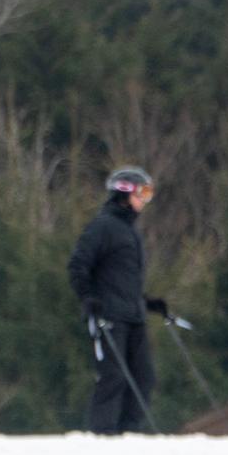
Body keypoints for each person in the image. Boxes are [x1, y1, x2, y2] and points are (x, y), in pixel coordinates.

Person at [68, 167, 167, 433]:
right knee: (113, 377)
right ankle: (103, 434)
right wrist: (88, 298)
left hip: (133, 315)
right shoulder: (103, 226)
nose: (144, 201)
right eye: (141, 193)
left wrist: (146, 302)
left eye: (148, 194)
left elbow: (120, 278)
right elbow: (78, 266)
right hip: (108, 316)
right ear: (124, 193)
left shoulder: (129, 230)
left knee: (144, 377)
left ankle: (129, 432)